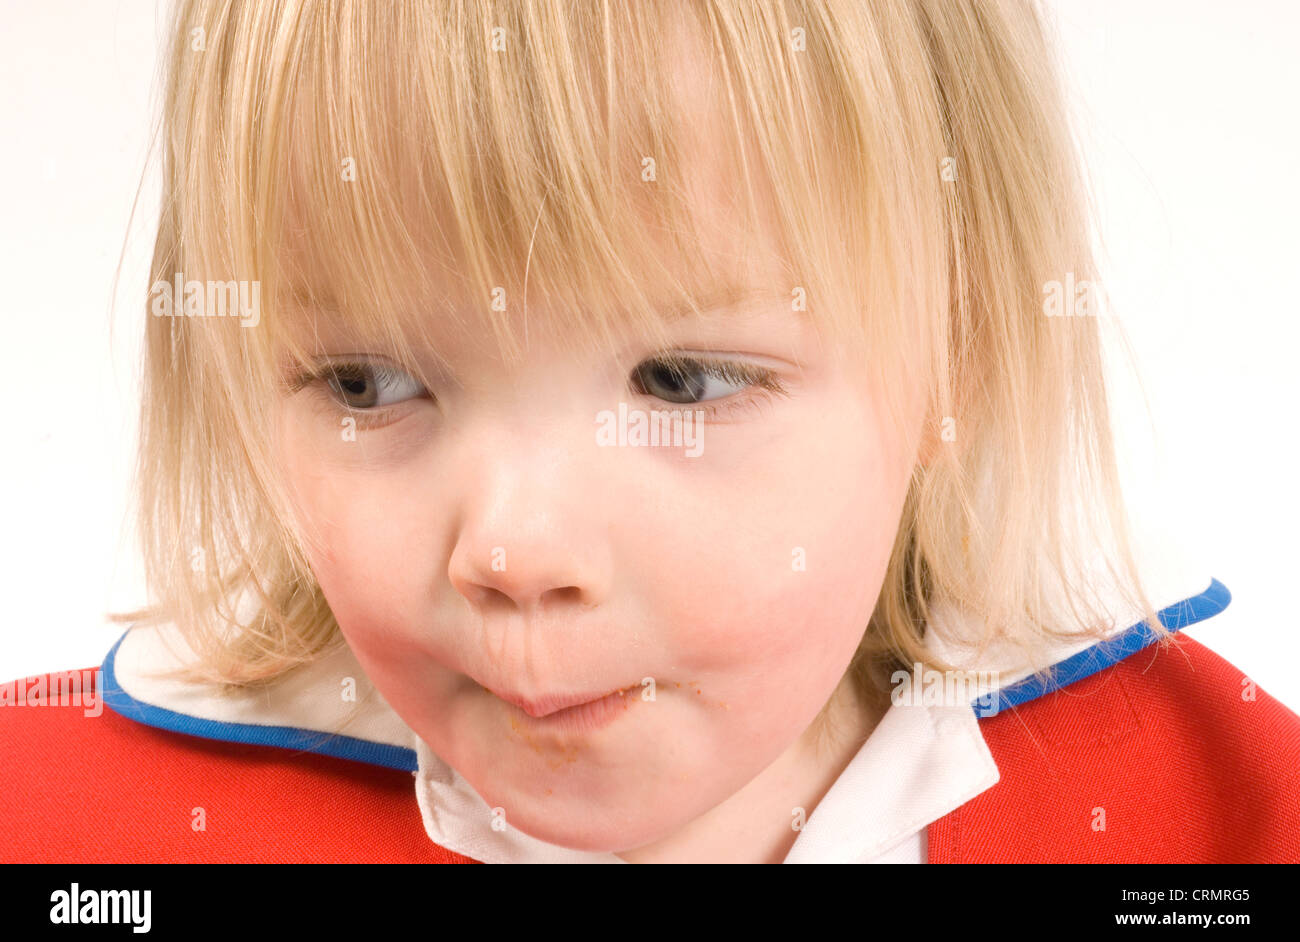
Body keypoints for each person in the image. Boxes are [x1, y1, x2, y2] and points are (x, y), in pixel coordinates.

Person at [3, 0, 1296, 863]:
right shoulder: (65, 831)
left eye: (679, 379)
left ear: (962, 350)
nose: (511, 550)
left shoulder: (1221, 811)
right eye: (366, 384)